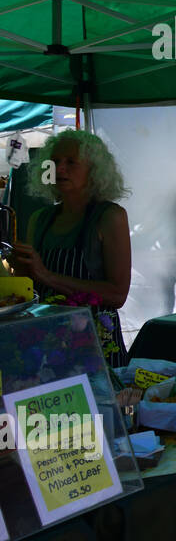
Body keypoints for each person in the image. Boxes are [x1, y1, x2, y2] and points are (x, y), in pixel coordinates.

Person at [9, 130, 132, 367]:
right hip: (46, 345)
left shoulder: (109, 217)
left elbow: (117, 294)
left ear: (94, 170)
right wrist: (18, 270)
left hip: (96, 347)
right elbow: (30, 285)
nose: (60, 169)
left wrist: (45, 274)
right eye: (55, 162)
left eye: (71, 162)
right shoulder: (40, 218)